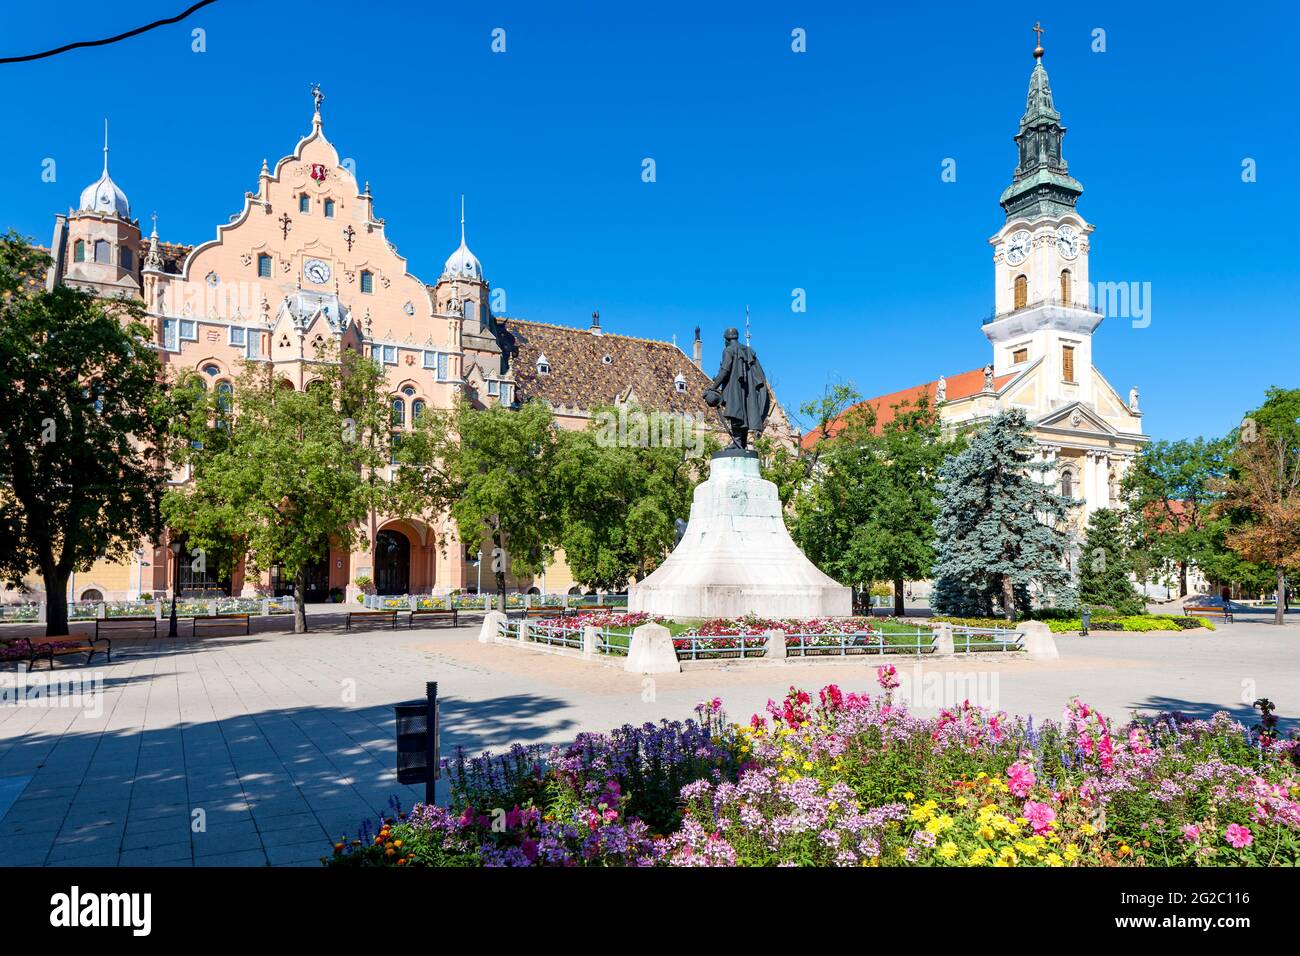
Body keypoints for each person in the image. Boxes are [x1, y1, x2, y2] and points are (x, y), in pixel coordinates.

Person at [704, 328, 770, 450]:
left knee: (736, 413)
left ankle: (737, 442)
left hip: (735, 388)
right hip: (748, 391)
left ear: (727, 339)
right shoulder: (748, 351)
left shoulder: (728, 350)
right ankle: (741, 444)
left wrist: (712, 387)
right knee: (744, 414)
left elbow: (724, 370)